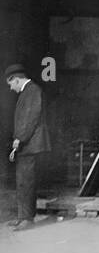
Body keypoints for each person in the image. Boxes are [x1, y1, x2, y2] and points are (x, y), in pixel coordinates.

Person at [5, 64, 50, 230]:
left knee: (27, 181)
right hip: (27, 145)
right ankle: (22, 216)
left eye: (10, 84)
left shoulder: (33, 90)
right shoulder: (28, 91)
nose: (10, 88)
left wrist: (20, 139)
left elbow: (30, 118)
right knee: (22, 181)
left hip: (30, 144)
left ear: (16, 79)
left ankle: (27, 219)